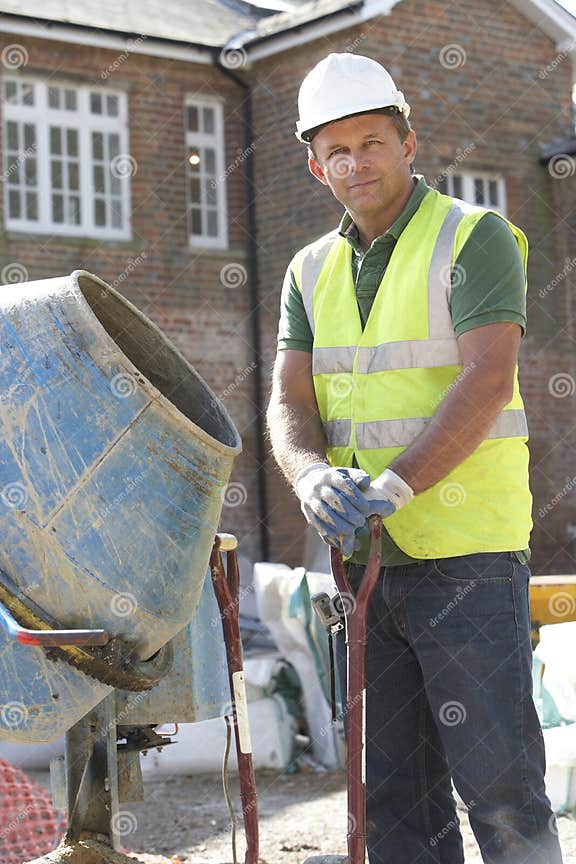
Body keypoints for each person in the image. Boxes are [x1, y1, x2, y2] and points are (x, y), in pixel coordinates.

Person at [266, 52, 563, 864]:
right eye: (336, 149)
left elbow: (487, 375)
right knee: (395, 801)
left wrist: (396, 484)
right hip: (364, 565)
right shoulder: (309, 269)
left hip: (466, 559)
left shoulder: (476, 236)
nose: (355, 162)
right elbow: (290, 400)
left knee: (501, 794)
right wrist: (312, 475)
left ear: (408, 142)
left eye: (371, 141)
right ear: (314, 164)